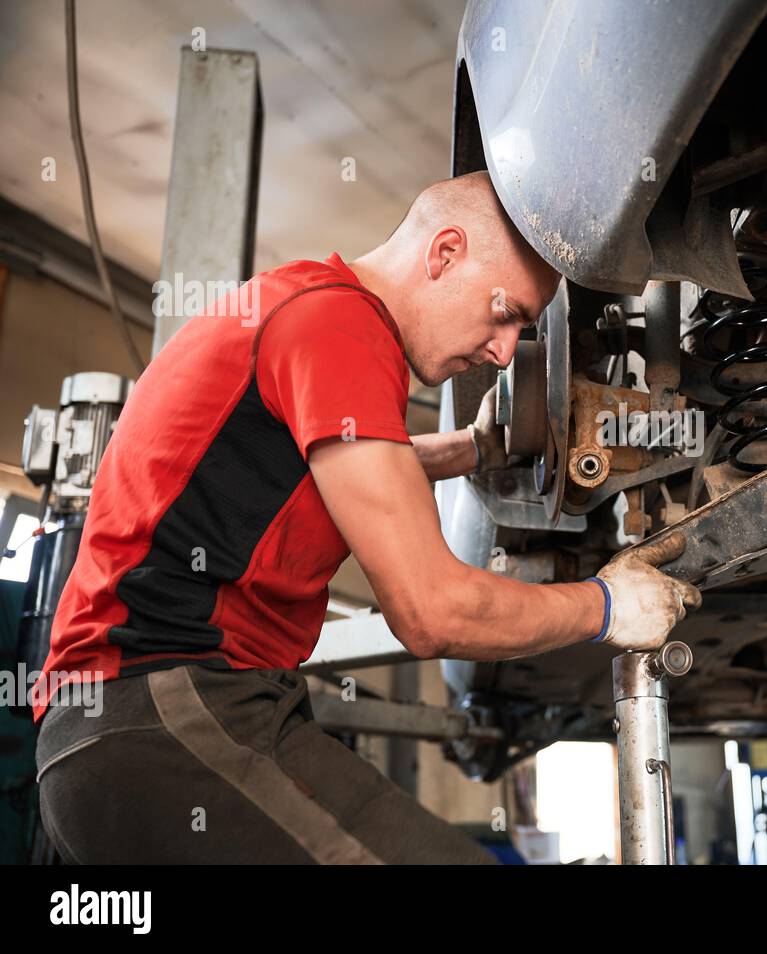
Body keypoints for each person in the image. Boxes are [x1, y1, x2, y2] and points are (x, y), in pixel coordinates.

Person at [33, 171, 701, 863]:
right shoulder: (341, 325)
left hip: (117, 738)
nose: (505, 351)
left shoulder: (302, 303)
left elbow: (330, 467)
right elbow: (432, 612)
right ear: (443, 253)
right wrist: (606, 606)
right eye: (507, 313)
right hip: (167, 717)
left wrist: (474, 450)